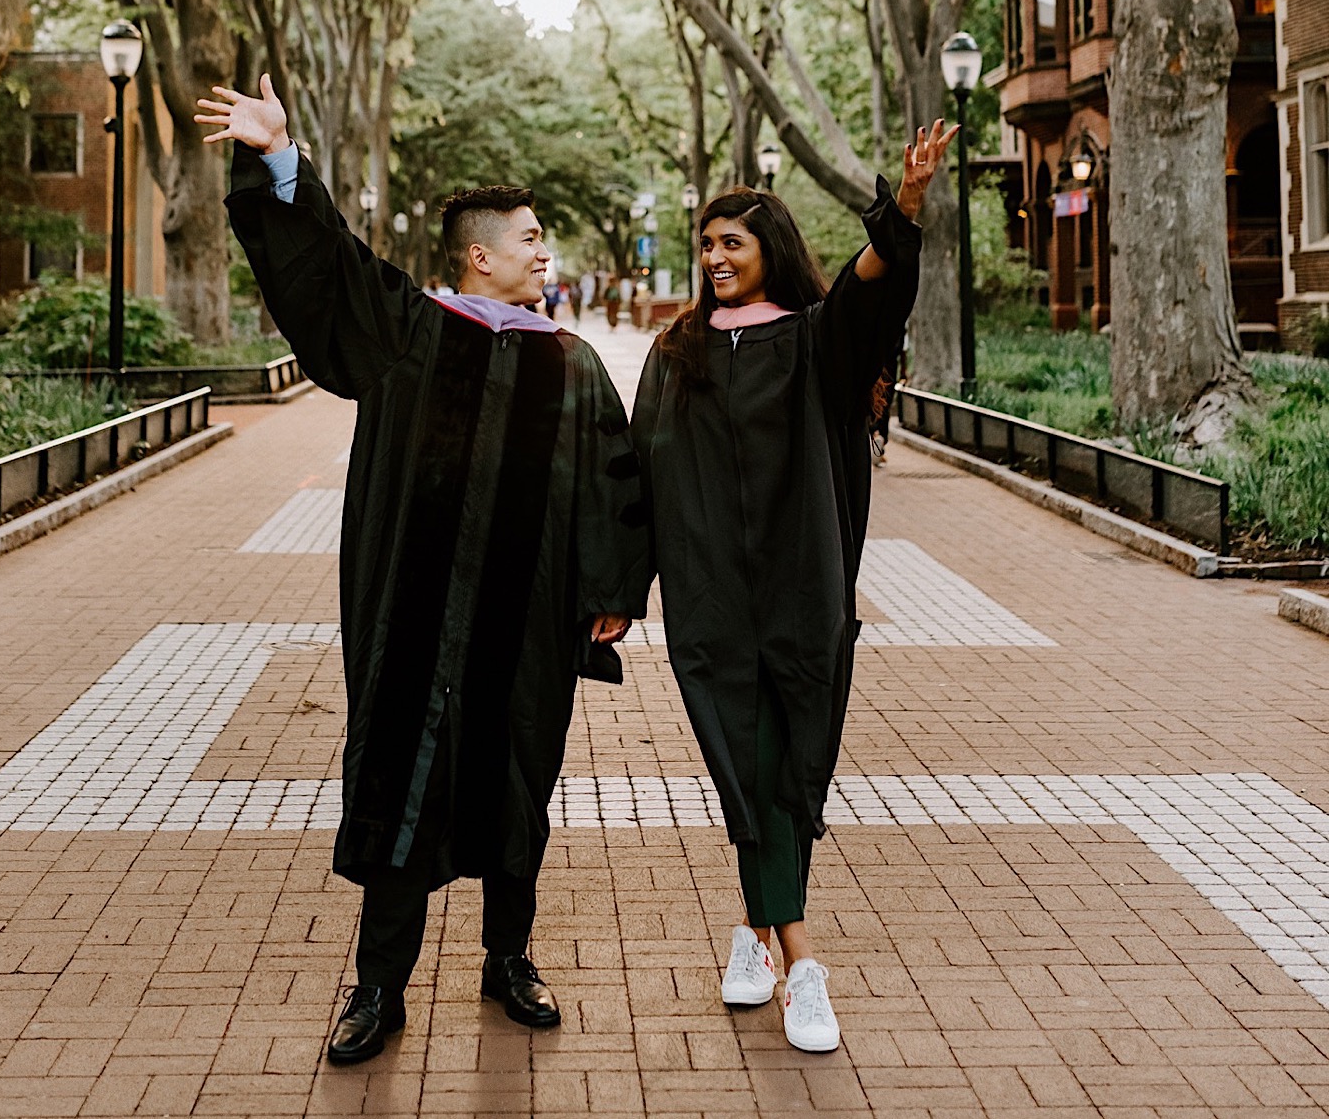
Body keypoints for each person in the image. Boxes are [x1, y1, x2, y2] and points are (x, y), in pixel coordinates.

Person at [196, 76, 652, 1066]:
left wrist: (613, 588)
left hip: (525, 619)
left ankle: (508, 958)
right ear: (480, 256)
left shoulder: (568, 363)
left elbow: (612, 474)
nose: (545, 253)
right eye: (531, 238)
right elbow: (328, 268)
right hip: (411, 614)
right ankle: (378, 986)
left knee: (518, 783)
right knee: (402, 782)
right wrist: (281, 161)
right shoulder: (411, 330)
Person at [630, 123, 953, 1055]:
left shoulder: (815, 343)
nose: (716, 256)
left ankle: (778, 947)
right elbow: (638, 471)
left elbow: (870, 288)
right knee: (746, 757)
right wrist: (617, 585)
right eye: (707, 244)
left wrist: (908, 204)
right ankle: (786, 950)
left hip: (802, 585)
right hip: (710, 594)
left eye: (733, 241)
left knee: (787, 757)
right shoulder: (677, 353)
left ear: (771, 248)